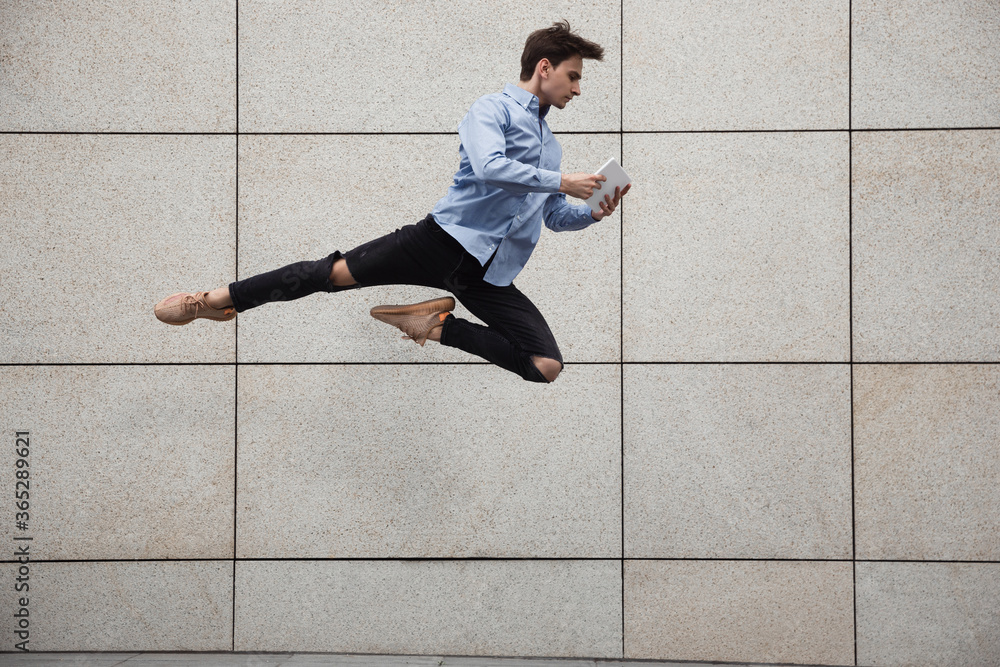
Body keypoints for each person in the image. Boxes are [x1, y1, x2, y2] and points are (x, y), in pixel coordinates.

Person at [154, 20, 630, 383]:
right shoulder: (492, 109)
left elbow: (552, 216)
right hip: (438, 242)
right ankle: (215, 300)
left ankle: (434, 325)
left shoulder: (552, 148)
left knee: (545, 365)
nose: (578, 88)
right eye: (573, 76)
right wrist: (561, 181)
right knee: (329, 275)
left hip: (488, 275)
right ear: (544, 68)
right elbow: (490, 167)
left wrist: (591, 210)